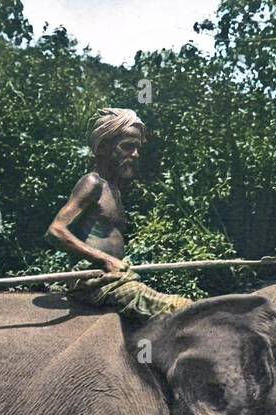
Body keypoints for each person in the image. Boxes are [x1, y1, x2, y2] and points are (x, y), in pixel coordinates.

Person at [46, 107, 193, 321]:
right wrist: (106, 260)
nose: (135, 154)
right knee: (181, 308)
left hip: (114, 277)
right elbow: (55, 231)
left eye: (137, 147)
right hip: (93, 279)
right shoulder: (92, 183)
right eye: (127, 146)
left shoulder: (113, 188)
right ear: (103, 147)